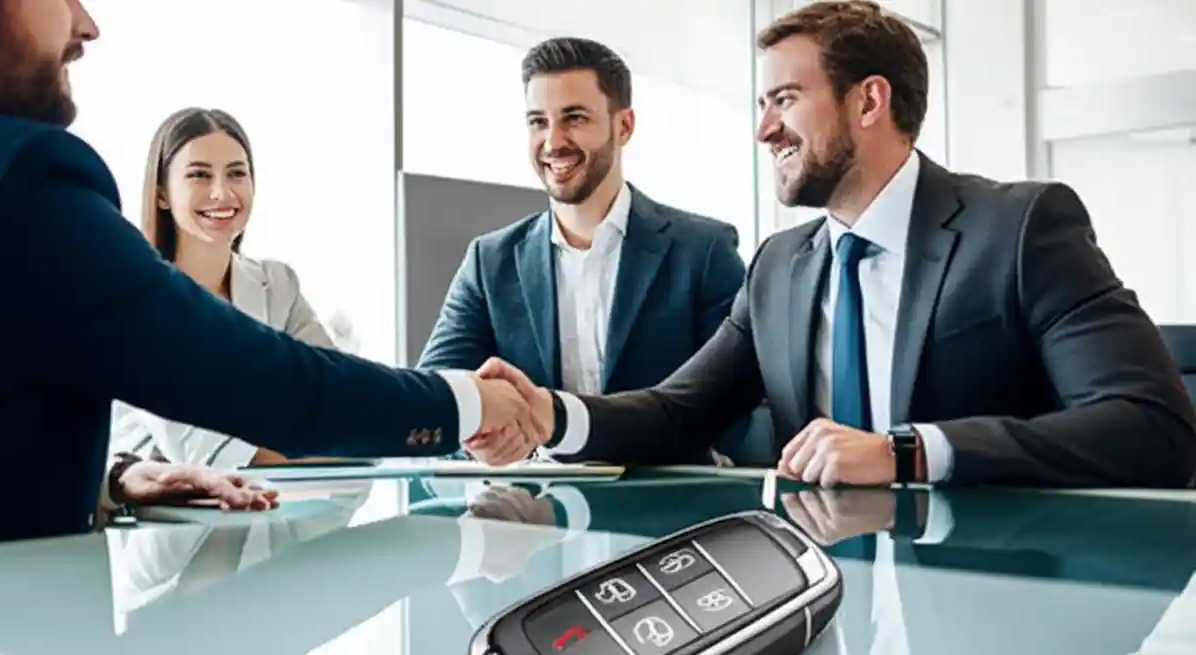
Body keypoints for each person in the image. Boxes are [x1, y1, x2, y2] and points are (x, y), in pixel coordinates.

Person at [466, 0, 1196, 489]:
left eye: (785, 100)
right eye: (762, 104)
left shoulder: (1020, 228)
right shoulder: (779, 267)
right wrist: (551, 414)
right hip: (821, 603)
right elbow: (677, 411)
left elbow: (1154, 425)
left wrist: (910, 452)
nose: (764, 130)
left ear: (869, 101)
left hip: (991, 605)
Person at [0, 0, 538, 549]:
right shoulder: (14, 177)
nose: (87, 24)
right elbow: (268, 385)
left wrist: (116, 478)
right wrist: (464, 402)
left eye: (237, 173)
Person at [417, 38, 747, 455]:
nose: (553, 141)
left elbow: (737, 409)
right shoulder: (490, 262)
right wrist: (479, 440)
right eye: (538, 121)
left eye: (574, 118)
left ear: (623, 126)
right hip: (530, 496)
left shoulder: (704, 252)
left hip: (668, 493)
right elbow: (435, 401)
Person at [109, 107, 342, 470]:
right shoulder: (138, 301)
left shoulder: (278, 286)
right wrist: (331, 440)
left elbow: (341, 402)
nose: (222, 192)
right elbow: (203, 452)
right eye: (199, 175)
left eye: (236, 173)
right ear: (162, 195)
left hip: (280, 499)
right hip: (164, 504)